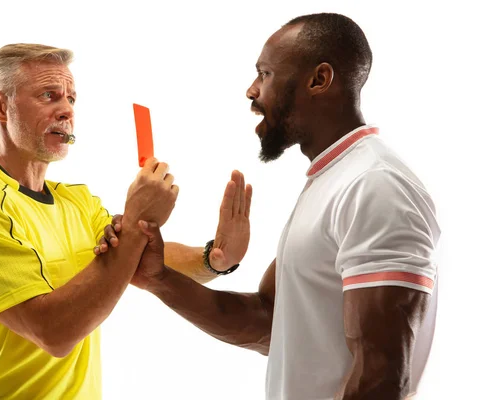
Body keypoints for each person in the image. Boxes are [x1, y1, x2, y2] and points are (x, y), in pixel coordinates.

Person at [99, 12, 441, 400]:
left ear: (319, 80)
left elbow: (382, 379)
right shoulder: (334, 179)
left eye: (265, 74)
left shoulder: (374, 185)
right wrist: (159, 277)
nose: (251, 90)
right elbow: (270, 322)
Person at [0, 43, 251, 399]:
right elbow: (53, 333)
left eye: (71, 98)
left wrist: (215, 258)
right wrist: (136, 221)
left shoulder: (78, 201)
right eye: (49, 95)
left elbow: (143, 265)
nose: (66, 110)